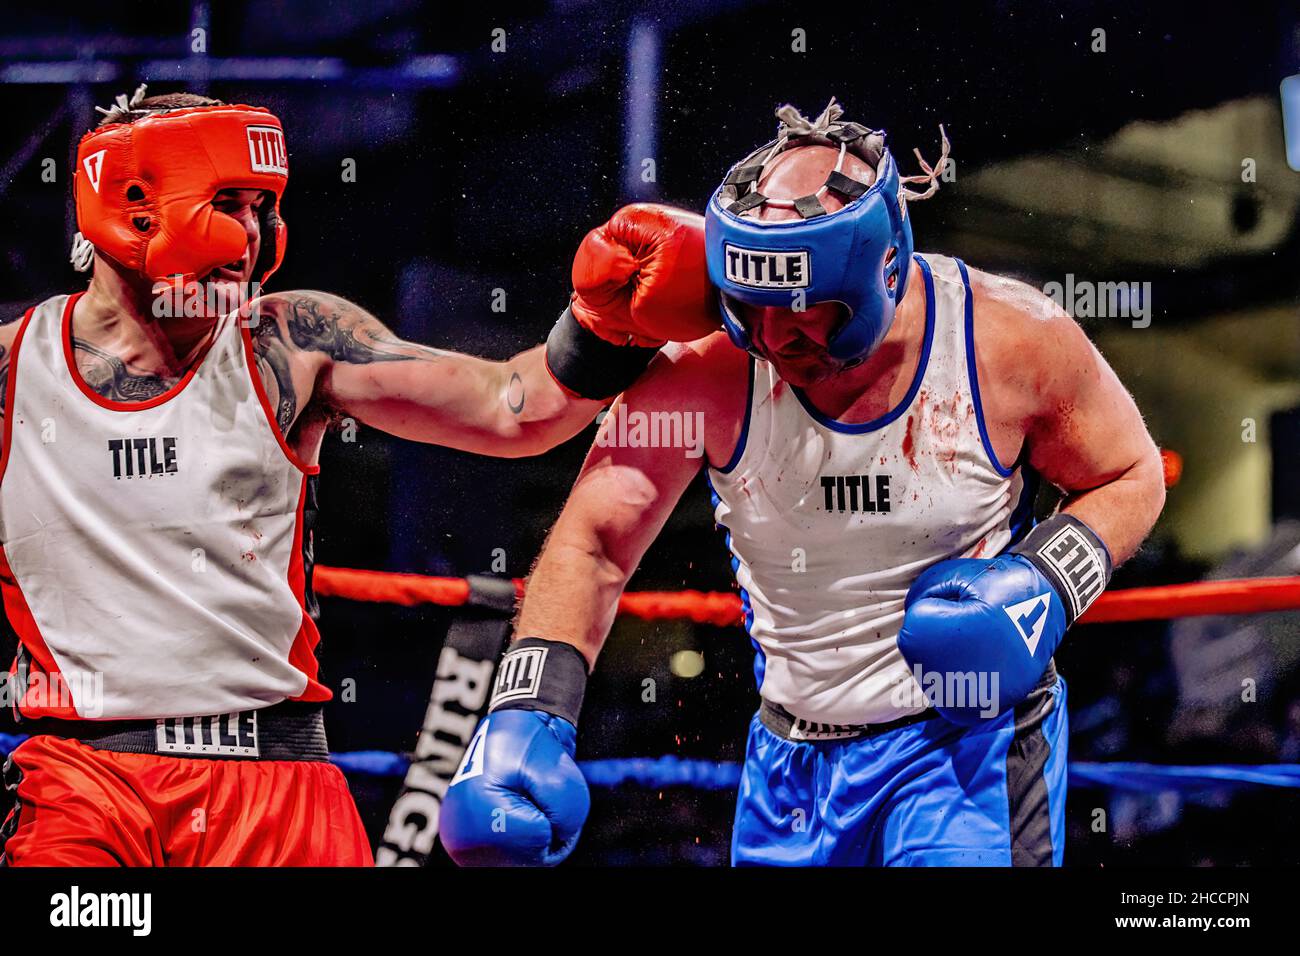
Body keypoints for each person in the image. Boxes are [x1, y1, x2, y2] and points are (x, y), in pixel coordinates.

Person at [439, 99, 1168, 867]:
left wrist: (1045, 583)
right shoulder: (709, 370)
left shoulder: (1011, 341)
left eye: (810, 309)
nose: (780, 338)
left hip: (965, 754)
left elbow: (1131, 472)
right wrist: (529, 708)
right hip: (790, 765)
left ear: (883, 267)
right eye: (754, 308)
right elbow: (594, 543)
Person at [0, 87, 715, 866]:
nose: (250, 234)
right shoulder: (12, 371)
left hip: (274, 784)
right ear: (134, 206)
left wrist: (602, 321)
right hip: (81, 786)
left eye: (262, 206)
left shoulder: (287, 343)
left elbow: (517, 409)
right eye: (228, 203)